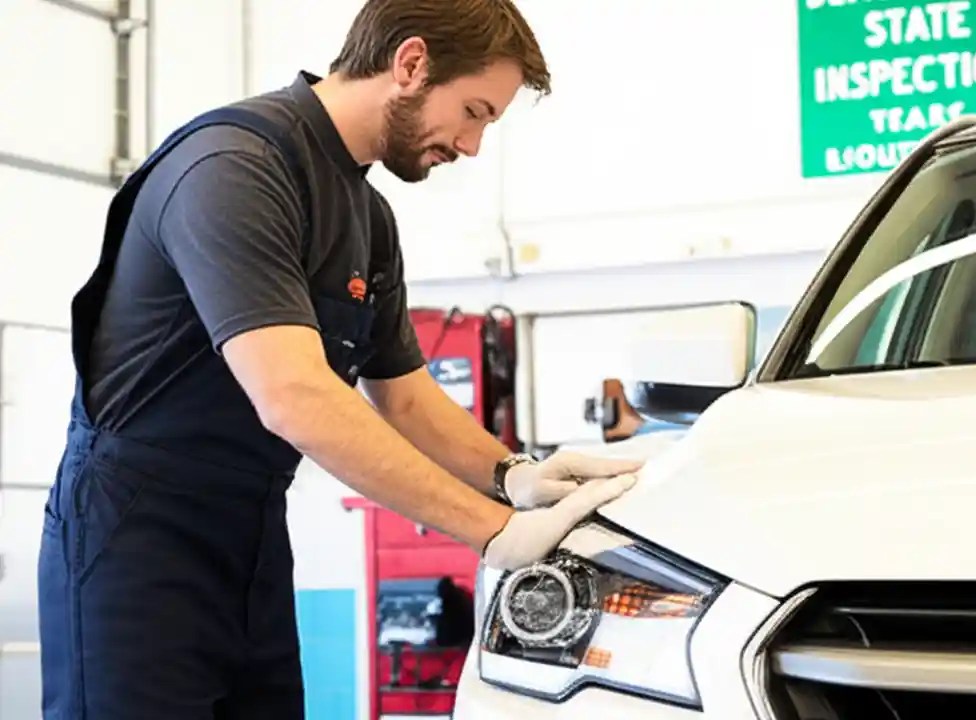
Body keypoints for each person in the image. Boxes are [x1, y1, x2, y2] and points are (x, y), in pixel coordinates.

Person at [36, 1, 642, 718]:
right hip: (136, 539)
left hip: (251, 536)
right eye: (474, 111)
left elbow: (406, 398)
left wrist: (513, 476)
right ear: (411, 63)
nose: (473, 146)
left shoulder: (367, 216)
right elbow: (293, 395)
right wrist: (492, 530)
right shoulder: (235, 168)